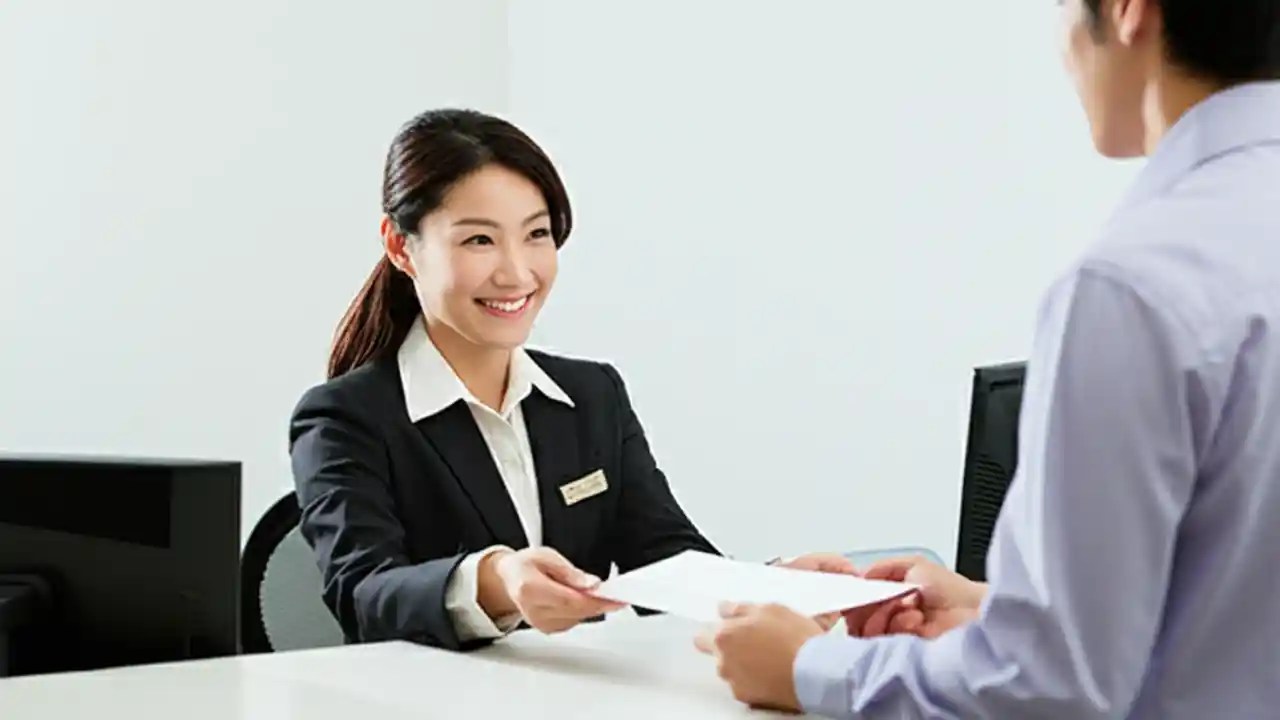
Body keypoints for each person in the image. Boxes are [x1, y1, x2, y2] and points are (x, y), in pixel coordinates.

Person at [699, 0, 1280, 717]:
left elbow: (1046, 692)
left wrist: (809, 667)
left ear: (1129, 11)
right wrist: (1001, 611)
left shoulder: (1133, 284)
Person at [288, 109, 724, 651]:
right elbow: (364, 595)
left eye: (536, 234)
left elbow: (667, 559)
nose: (517, 273)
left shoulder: (593, 396)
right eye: (479, 241)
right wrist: (496, 581)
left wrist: (783, 593)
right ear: (401, 247)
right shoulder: (346, 417)